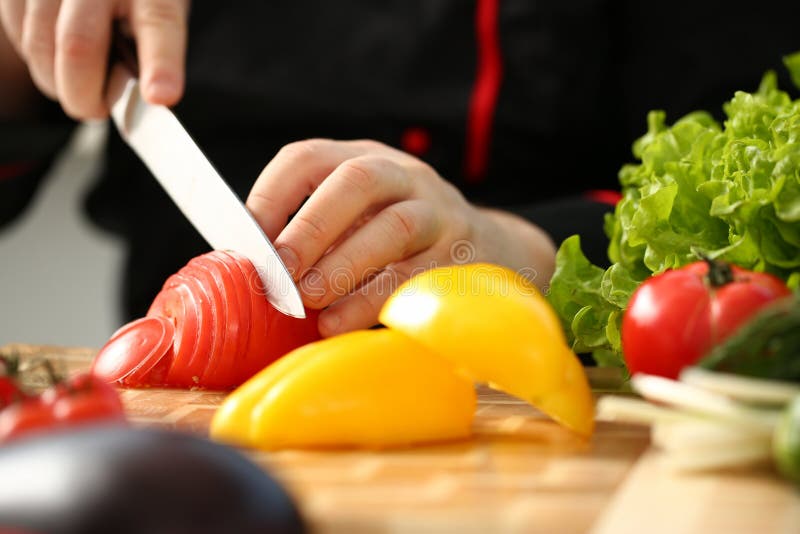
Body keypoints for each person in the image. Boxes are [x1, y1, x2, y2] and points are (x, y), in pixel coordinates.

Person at [1, 1, 799, 338]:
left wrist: (524, 251)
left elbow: (752, 180)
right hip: (183, 413)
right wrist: (19, 43)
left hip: (557, 392)